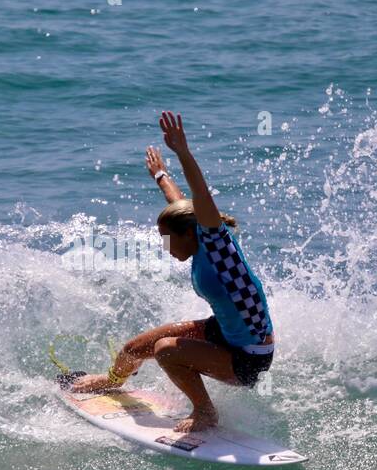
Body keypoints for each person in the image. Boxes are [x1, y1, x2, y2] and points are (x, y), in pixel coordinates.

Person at [68, 112, 275, 432]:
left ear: (190, 234)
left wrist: (183, 152)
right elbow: (179, 202)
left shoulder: (218, 247)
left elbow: (200, 196)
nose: (164, 246)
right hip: (223, 332)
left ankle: (205, 412)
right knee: (133, 349)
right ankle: (111, 382)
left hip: (251, 356)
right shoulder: (195, 234)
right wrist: (160, 173)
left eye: (167, 239)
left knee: (166, 351)